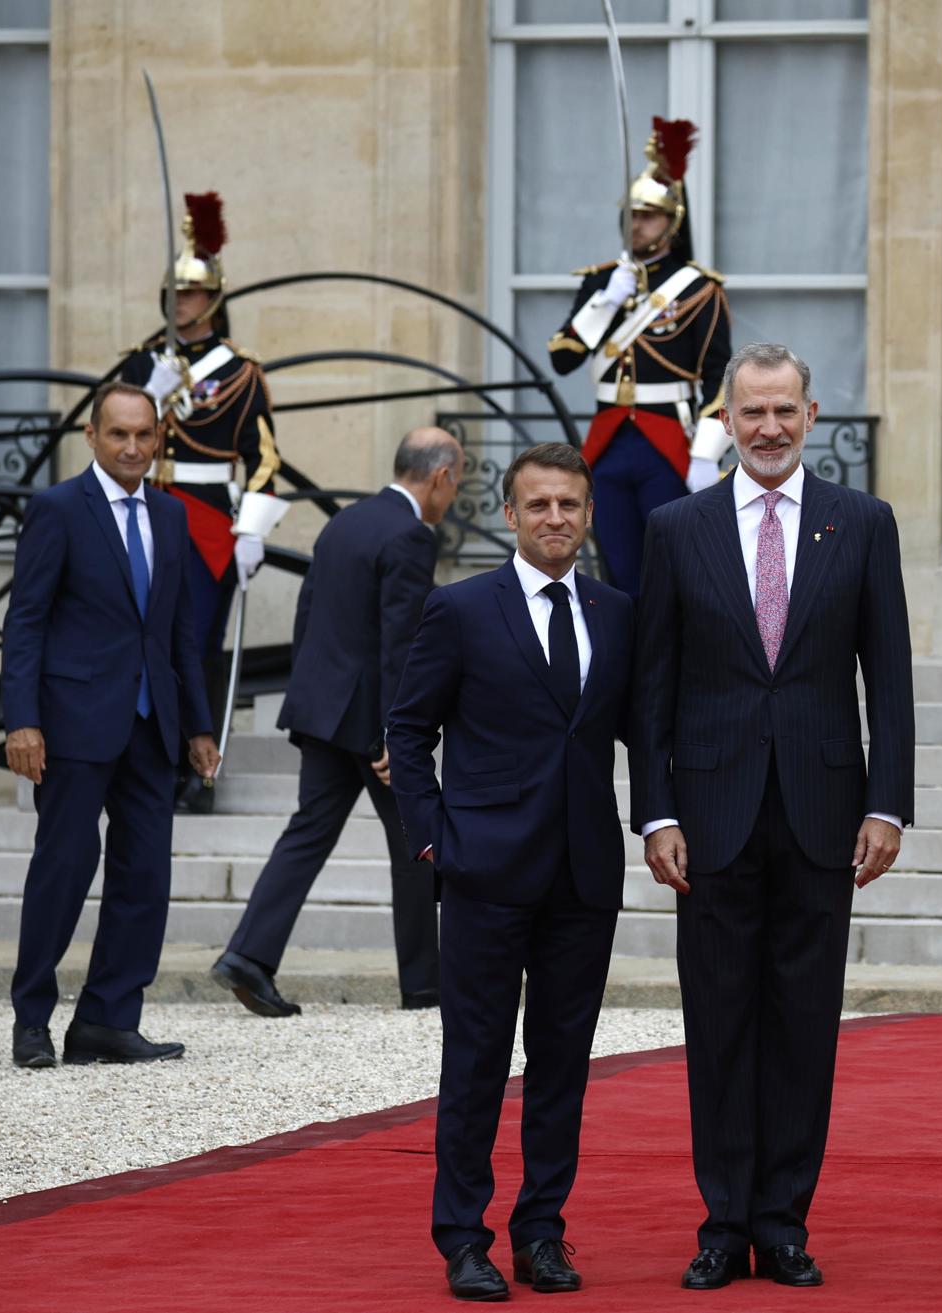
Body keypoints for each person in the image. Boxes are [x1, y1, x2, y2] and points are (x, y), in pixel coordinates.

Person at [632, 342, 915, 1290]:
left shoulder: (862, 522)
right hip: (709, 817)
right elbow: (651, 687)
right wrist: (656, 813)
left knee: (802, 1025)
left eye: (784, 410)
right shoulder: (676, 527)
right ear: (724, 418)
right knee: (717, 1024)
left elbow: (890, 677)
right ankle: (723, 1225)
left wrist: (888, 802)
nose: (768, 428)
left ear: (812, 414)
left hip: (823, 813)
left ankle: (784, 1222)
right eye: (751, 411)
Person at [386, 442, 634, 1302]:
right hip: (485, 871)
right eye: (539, 504)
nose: (555, 517)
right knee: (477, 1062)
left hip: (584, 876)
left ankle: (542, 1231)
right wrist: (432, 838)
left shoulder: (617, 612)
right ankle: (463, 1236)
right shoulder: (460, 608)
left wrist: (665, 817)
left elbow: (643, 730)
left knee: (563, 1064)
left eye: (569, 504)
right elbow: (408, 729)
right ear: (510, 514)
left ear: (589, 514)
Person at [209, 428, 465, 1018]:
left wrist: (308, 699)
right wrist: (398, 734)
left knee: (307, 835)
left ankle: (248, 955)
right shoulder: (410, 535)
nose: (453, 496)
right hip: (371, 724)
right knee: (418, 841)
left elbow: (309, 617)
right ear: (440, 477)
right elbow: (401, 644)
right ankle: (425, 986)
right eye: (456, 482)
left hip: (323, 712)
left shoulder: (345, 522)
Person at [1, 382, 220, 1069]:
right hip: (72, 725)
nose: (132, 447)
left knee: (144, 877)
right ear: (92, 436)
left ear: (159, 440)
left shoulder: (171, 514)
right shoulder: (58, 508)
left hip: (152, 727)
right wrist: (22, 720)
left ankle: (107, 1020)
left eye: (144, 435)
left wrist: (199, 725)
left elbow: (180, 630)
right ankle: (31, 1020)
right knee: (64, 869)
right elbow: (26, 620)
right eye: (118, 433)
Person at [120, 192, 284, 808]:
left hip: (205, 521)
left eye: (190, 293)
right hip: (141, 513)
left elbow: (263, 457)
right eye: (174, 292)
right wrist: (153, 393)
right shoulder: (143, 364)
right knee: (144, 642)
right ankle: (150, 763)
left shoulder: (240, 372)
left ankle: (200, 769)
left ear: (213, 299)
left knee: (194, 647)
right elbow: (115, 434)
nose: (179, 302)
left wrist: (253, 529)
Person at [546, 118, 732, 596]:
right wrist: (607, 301)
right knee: (617, 569)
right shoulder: (602, 281)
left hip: (667, 441)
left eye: (648, 216)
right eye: (631, 215)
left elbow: (718, 378)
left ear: (672, 222)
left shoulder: (698, 288)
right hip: (608, 440)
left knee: (670, 567)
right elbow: (563, 358)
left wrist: (706, 454)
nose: (636, 225)